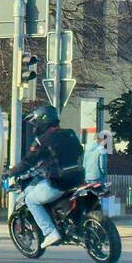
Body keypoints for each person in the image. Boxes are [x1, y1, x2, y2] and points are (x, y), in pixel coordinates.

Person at [6, 104, 85, 249]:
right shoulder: (70, 133)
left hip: (59, 181)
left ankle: (50, 232)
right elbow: (79, 151)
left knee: (31, 200)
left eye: (36, 122)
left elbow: (28, 162)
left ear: (43, 121)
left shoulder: (42, 140)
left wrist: (11, 172)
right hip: (79, 177)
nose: (35, 126)